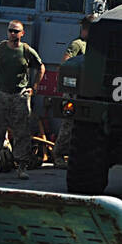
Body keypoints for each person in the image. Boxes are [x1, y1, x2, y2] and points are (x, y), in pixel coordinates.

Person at [0, 20, 45, 179]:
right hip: (1, 95)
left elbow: (41, 67)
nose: (13, 34)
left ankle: (22, 167)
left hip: (19, 96)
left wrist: (34, 87)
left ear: (22, 33)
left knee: (21, 132)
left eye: (16, 31)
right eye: (10, 31)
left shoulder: (26, 50)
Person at [51, 14, 96, 166]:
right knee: (68, 125)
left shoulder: (94, 46)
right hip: (74, 92)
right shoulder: (78, 44)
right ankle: (58, 155)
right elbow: (65, 64)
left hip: (87, 92)